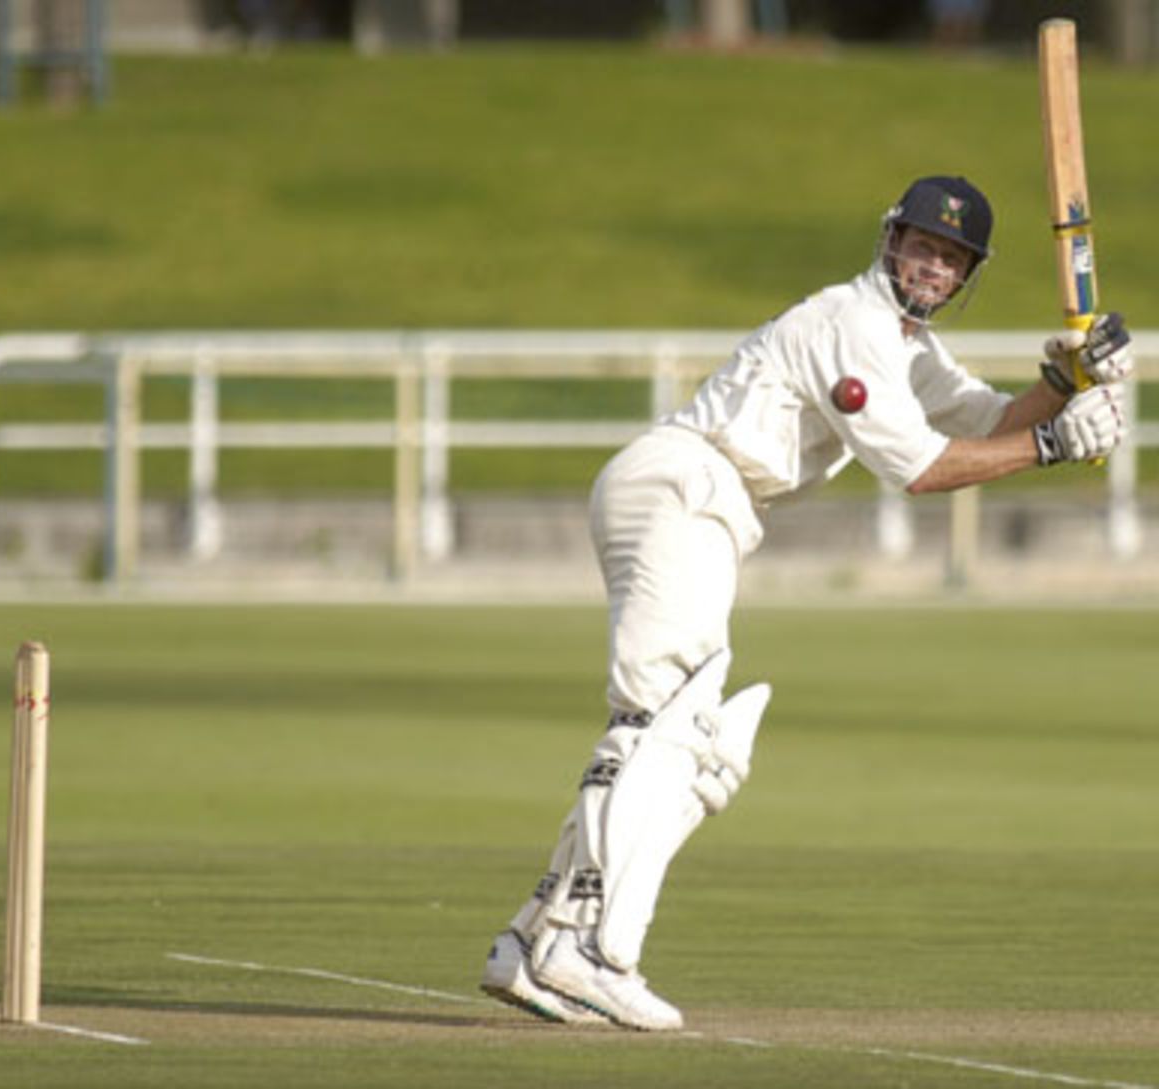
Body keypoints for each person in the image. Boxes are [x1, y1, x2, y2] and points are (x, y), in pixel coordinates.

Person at [479, 175, 1133, 1031]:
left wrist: (1065, 376)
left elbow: (987, 419)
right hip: (688, 485)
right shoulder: (850, 324)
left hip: (700, 500)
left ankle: (535, 941)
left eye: (952, 259)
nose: (932, 268)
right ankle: (594, 950)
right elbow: (923, 468)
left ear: (965, 276)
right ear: (891, 240)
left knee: (694, 746)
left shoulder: (904, 346)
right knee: (663, 726)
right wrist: (1051, 444)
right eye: (923, 247)